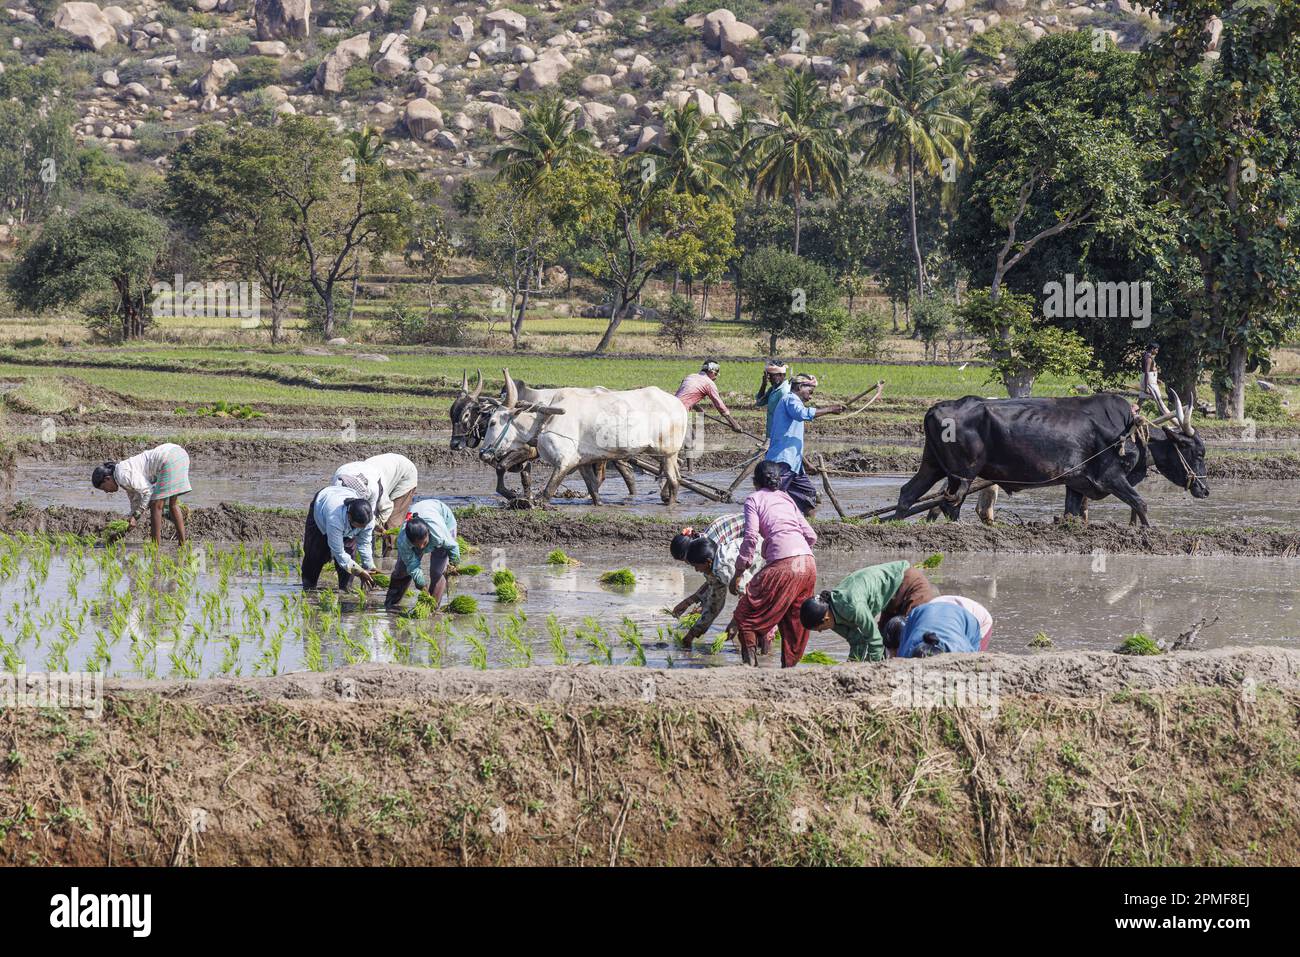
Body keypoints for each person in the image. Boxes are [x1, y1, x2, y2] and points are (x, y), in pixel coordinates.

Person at [727, 461, 818, 667]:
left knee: (745, 615)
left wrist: (739, 571)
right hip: (808, 563)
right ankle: (789, 670)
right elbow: (811, 535)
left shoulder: (754, 499)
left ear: (754, 482)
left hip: (783, 565)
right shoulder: (786, 498)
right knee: (795, 622)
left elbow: (750, 537)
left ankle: (749, 665)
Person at [798, 561, 938, 662]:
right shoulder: (832, 618)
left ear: (825, 618)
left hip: (909, 582)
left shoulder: (853, 606)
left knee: (912, 635)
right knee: (887, 638)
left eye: (819, 629)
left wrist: (869, 672)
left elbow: (874, 641)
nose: (822, 631)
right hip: (890, 600)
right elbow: (857, 642)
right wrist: (851, 666)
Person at [668, 514, 763, 647]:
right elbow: (714, 588)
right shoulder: (704, 550)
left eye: (690, 563)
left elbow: (745, 593)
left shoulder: (716, 559)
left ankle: (763, 648)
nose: (693, 568)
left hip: (761, 536)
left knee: (755, 604)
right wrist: (691, 605)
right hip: (752, 545)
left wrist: (735, 622)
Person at [765, 373, 845, 515]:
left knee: (809, 497)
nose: (811, 396)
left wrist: (806, 464)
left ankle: (810, 531)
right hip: (782, 462)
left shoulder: (792, 404)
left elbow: (791, 442)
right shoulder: (790, 399)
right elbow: (802, 413)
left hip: (794, 465)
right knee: (771, 499)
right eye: (810, 391)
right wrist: (830, 409)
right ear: (801, 387)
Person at [91, 443, 192, 546]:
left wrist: (137, 515)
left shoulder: (122, 475)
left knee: (156, 505)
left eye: (104, 488)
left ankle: (155, 548)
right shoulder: (122, 476)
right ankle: (182, 544)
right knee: (172, 505)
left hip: (169, 459)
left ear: (107, 479)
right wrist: (127, 524)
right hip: (179, 454)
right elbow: (136, 502)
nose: (107, 492)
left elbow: (148, 492)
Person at [333, 453, 419, 555]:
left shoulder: (373, 489)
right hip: (376, 472)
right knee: (364, 523)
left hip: (404, 474)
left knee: (391, 525)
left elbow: (387, 508)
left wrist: (377, 524)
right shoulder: (339, 489)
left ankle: (389, 559)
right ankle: (369, 555)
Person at [385, 498, 460, 609]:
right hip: (420, 514)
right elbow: (413, 566)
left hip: (444, 517)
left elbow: (453, 546)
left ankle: (431, 608)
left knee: (438, 572)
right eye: (417, 544)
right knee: (402, 569)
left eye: (424, 543)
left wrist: (453, 565)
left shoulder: (439, 534)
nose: (421, 547)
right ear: (410, 541)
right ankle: (391, 604)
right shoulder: (403, 541)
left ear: (428, 534)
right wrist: (421, 585)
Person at [302, 484, 376, 590]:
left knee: (349, 553)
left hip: (342, 499)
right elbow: (339, 553)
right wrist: (359, 572)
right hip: (323, 505)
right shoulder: (334, 519)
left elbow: (364, 543)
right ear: (349, 517)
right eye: (359, 526)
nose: (362, 529)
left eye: (364, 526)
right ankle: (308, 588)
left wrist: (369, 566)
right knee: (315, 553)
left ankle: (345, 589)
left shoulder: (368, 520)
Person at [894, 600, 983, 657]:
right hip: (922, 611)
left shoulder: (961, 652)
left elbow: (974, 660)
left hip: (967, 618)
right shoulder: (907, 651)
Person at [675, 360, 741, 432]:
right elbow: (720, 405)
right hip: (681, 412)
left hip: (673, 405)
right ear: (711, 371)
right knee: (691, 439)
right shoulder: (709, 383)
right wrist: (734, 423)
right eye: (716, 374)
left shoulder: (690, 377)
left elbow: (684, 397)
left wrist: (697, 408)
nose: (715, 378)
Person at [928, 595, 993, 651]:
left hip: (979, 617)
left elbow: (966, 649)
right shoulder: (924, 616)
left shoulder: (955, 629)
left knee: (973, 655)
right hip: (941, 606)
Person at [754, 361, 790, 440]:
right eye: (767, 375)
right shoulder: (774, 389)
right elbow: (759, 402)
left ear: (780, 375)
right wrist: (764, 384)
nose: (768, 378)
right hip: (772, 432)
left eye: (770, 375)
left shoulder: (784, 392)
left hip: (780, 434)